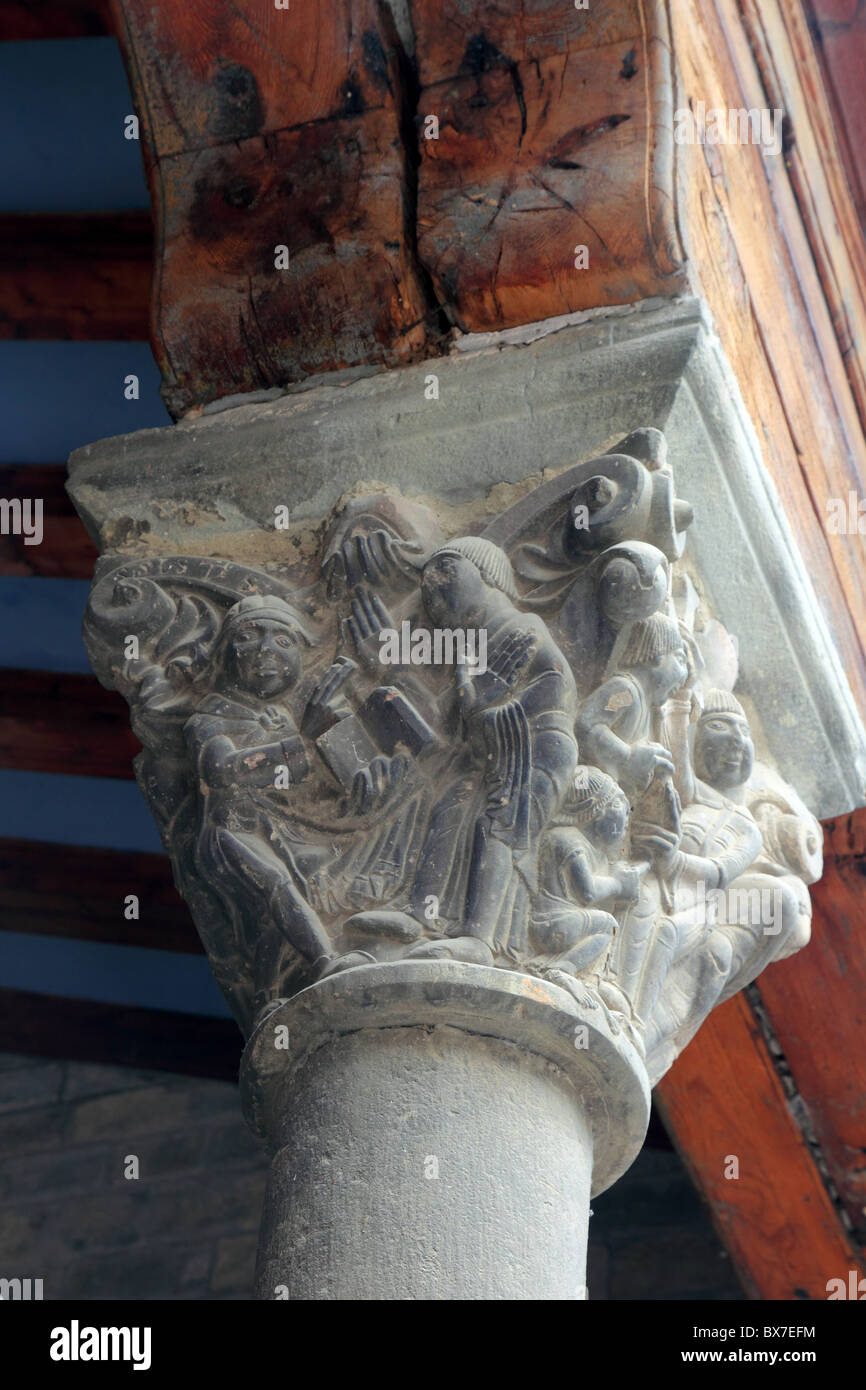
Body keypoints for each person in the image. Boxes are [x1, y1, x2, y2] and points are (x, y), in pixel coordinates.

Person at [185, 595, 373, 1031]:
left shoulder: (279, 717)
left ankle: (269, 1000)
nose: (265, 652)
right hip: (229, 832)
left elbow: (320, 781)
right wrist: (303, 736)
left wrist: (334, 732)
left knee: (272, 918)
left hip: (279, 830)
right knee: (275, 884)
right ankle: (327, 960)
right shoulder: (210, 716)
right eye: (248, 638)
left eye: (283, 639)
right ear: (225, 653)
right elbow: (223, 770)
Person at [409, 537, 579, 961]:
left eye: (448, 571)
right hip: (496, 751)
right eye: (428, 582)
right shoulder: (469, 651)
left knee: (499, 822)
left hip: (538, 746)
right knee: (450, 803)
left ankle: (480, 941)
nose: (434, 586)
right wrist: (475, 701)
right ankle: (424, 915)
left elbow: (556, 683)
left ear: (489, 574)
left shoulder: (523, 627)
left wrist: (496, 707)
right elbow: (461, 719)